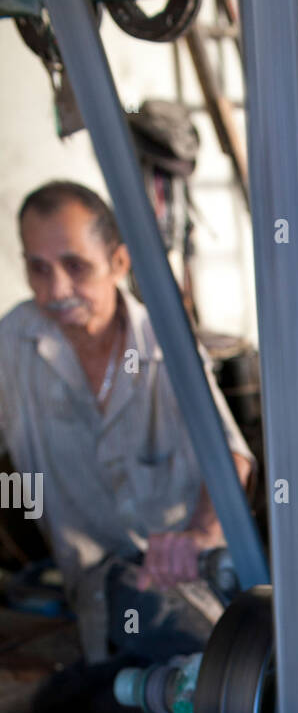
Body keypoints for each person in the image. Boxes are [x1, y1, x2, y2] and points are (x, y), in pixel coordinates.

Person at [0, 180, 254, 672]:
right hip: (102, 576)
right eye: (38, 268)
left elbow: (232, 457)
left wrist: (198, 534)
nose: (56, 291)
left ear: (118, 262)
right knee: (210, 657)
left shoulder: (163, 343)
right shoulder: (13, 345)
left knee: (259, 637)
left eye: (75, 266)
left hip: (197, 566)